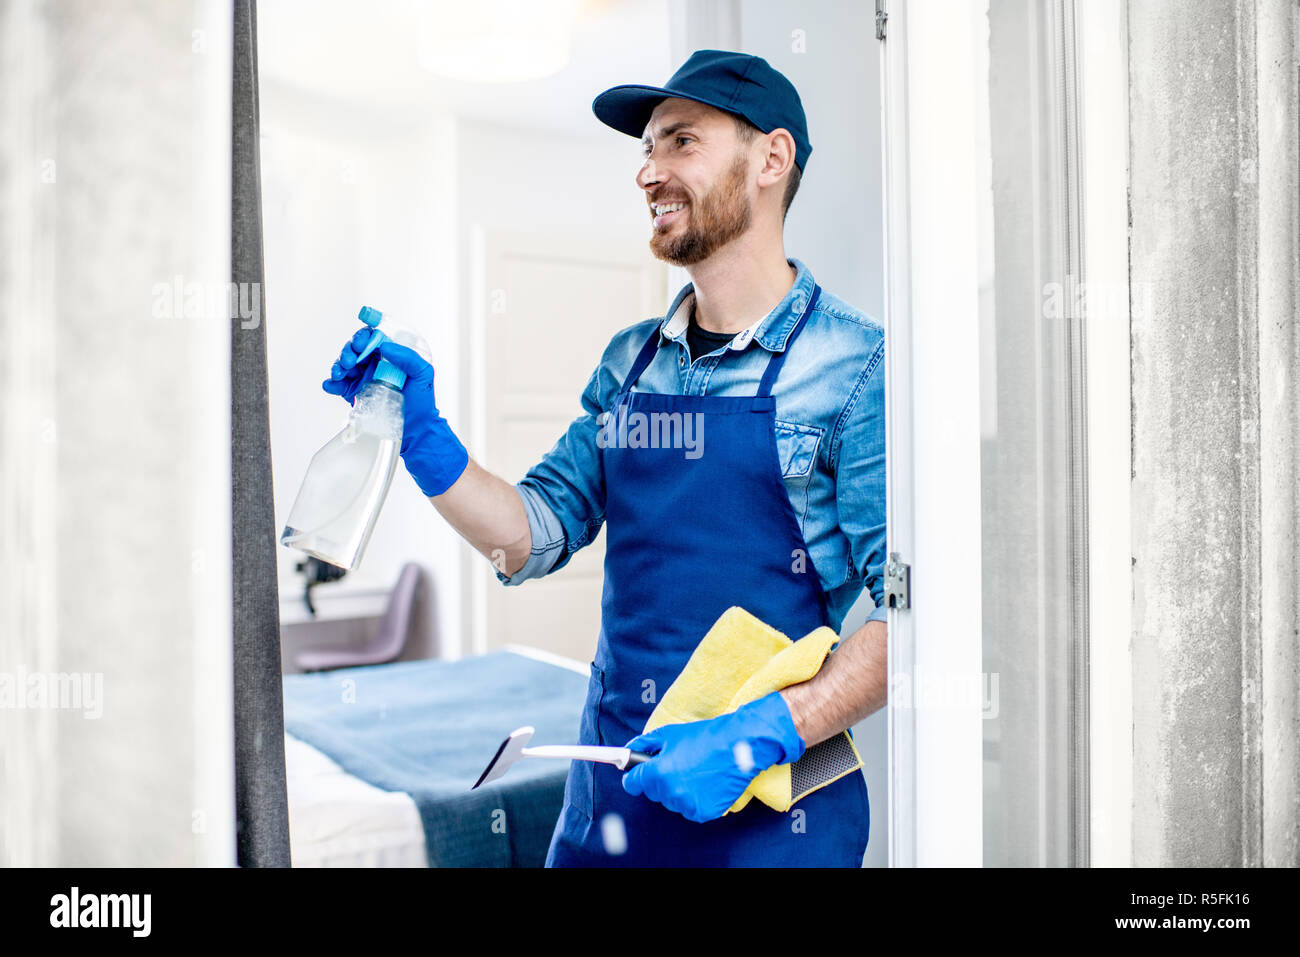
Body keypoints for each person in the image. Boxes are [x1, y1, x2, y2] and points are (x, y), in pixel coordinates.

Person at [324, 49, 887, 867]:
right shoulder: (631, 361)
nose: (648, 173)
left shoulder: (852, 365)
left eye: (680, 142)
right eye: (645, 150)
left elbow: (915, 617)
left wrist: (764, 732)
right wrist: (422, 435)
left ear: (772, 158)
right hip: (611, 804)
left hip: (775, 817)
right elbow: (528, 535)